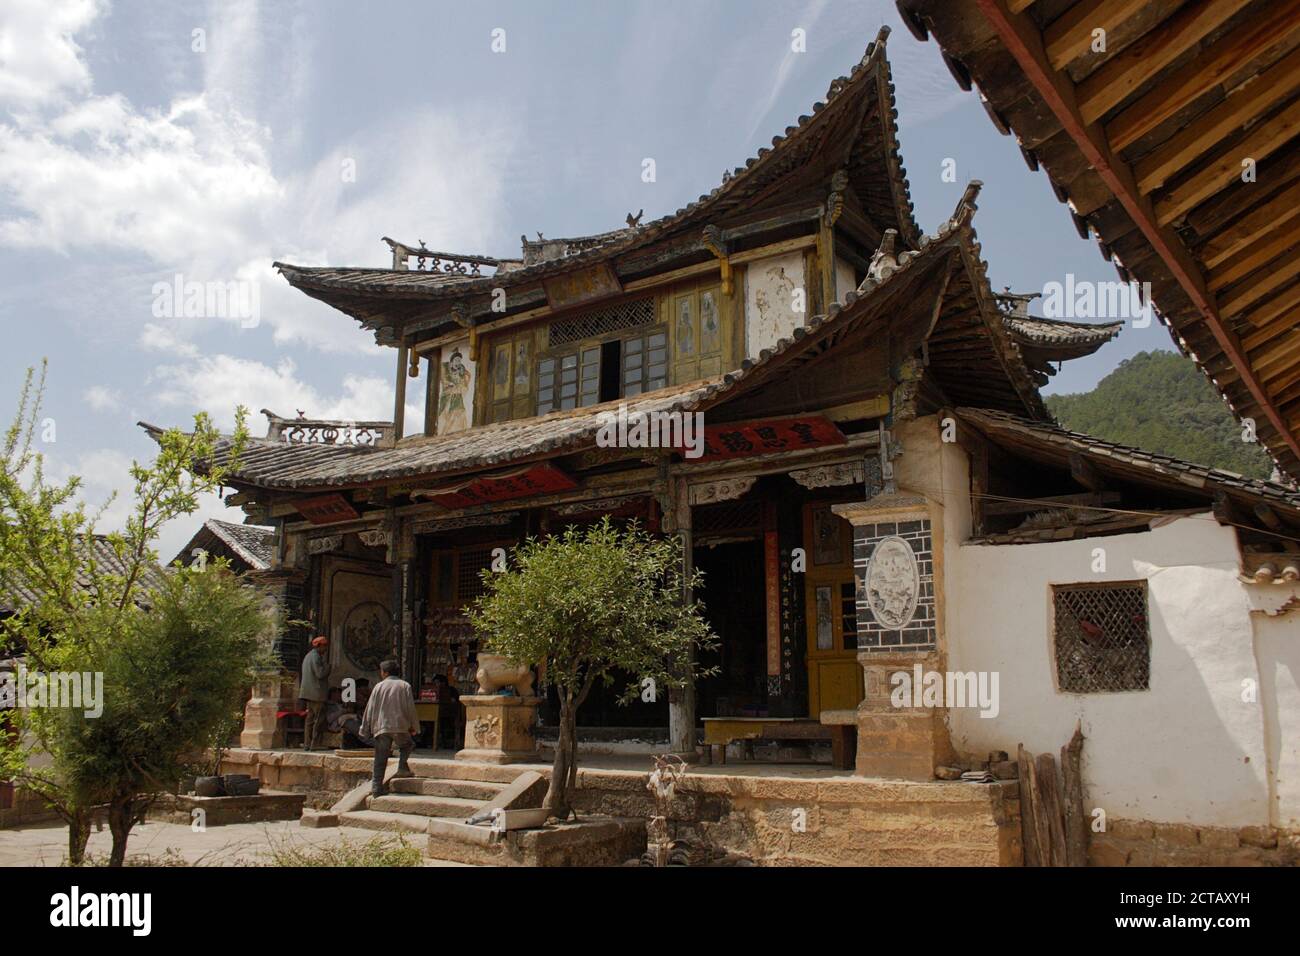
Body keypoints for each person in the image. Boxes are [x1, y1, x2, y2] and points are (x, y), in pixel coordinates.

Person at [360, 659, 420, 797]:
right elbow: (410, 708)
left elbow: (370, 708)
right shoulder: (405, 686)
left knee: (380, 758)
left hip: (382, 727)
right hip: (400, 726)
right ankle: (402, 766)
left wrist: (364, 728)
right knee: (408, 745)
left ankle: (376, 788)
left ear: (385, 672)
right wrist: (414, 726)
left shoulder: (378, 687)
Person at [299, 636, 330, 751]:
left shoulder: (308, 656)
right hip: (317, 694)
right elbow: (320, 674)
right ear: (319, 646)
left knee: (310, 720)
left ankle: (307, 743)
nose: (326, 649)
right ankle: (314, 743)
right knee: (318, 720)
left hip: (309, 693)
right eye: (324, 646)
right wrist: (328, 667)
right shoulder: (316, 657)